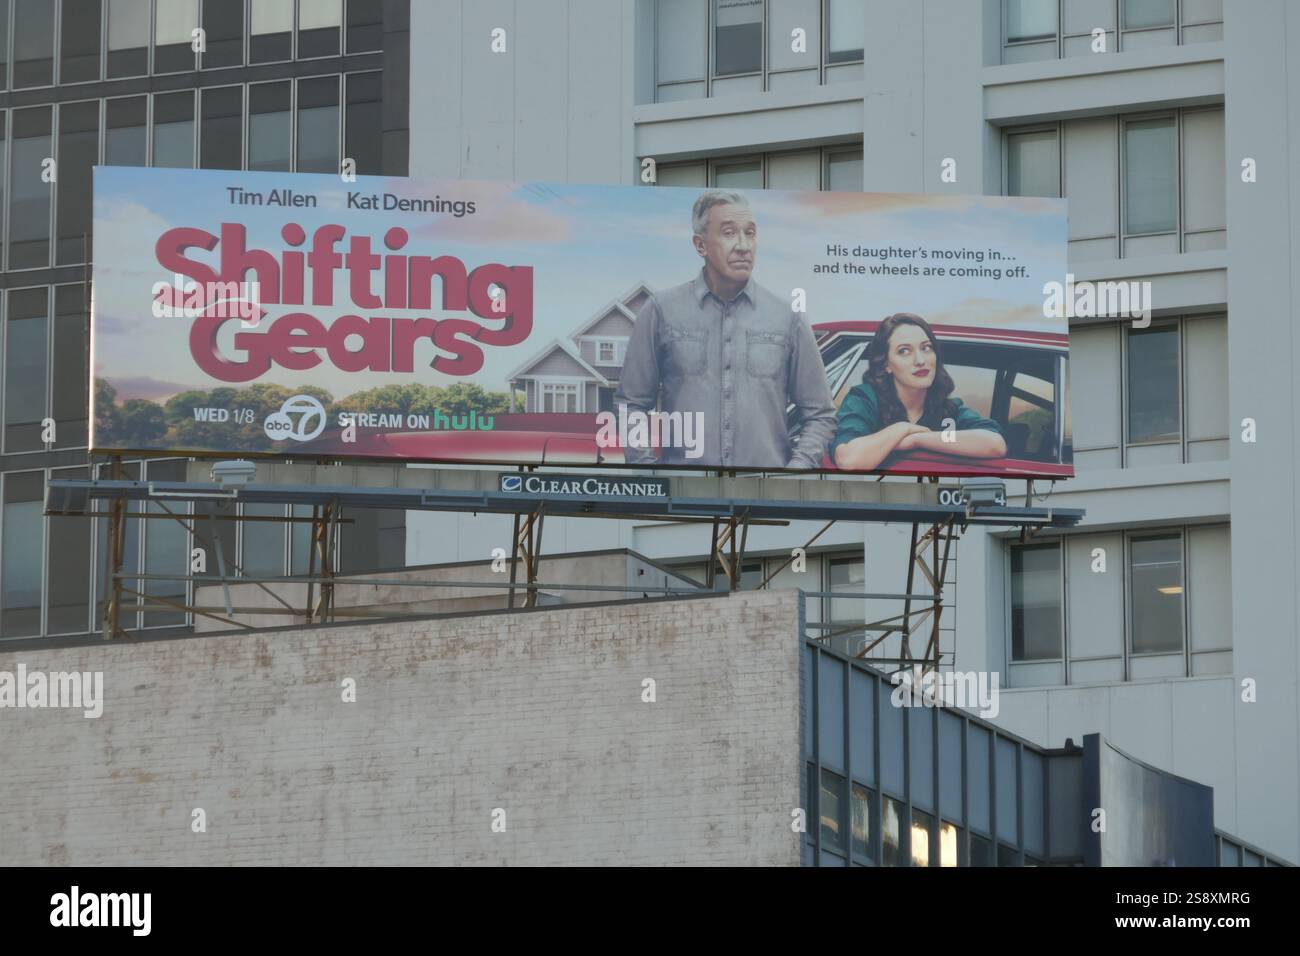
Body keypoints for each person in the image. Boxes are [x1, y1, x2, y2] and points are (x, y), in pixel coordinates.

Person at [614, 189, 836, 468]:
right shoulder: (661, 311)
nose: (744, 245)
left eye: (750, 233)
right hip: (684, 500)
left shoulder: (788, 317)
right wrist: (649, 476)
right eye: (729, 233)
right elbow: (631, 405)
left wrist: (793, 475)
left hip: (764, 499)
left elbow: (821, 414)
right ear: (700, 245)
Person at [830, 313, 1006, 472]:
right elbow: (848, 459)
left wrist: (917, 439)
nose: (920, 360)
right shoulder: (865, 399)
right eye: (904, 351)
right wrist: (902, 428)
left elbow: (995, 444)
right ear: (886, 364)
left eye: (926, 348)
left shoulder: (946, 410)